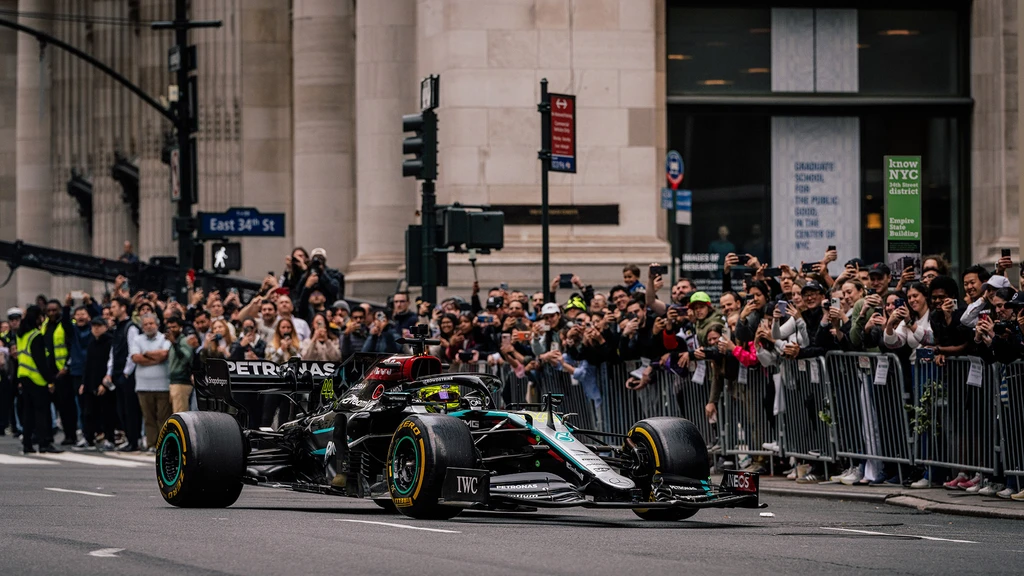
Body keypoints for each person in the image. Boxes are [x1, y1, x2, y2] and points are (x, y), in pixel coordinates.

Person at [16, 306, 62, 454]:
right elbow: (40, 361)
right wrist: (50, 380)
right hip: (37, 378)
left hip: (24, 375)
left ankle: (27, 444)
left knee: (28, 412)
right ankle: (44, 443)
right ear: (37, 318)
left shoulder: (21, 335)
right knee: (42, 412)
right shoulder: (36, 336)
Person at [104, 297, 142, 452]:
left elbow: (132, 352)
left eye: (114, 306)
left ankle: (134, 441)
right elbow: (113, 352)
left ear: (123, 308)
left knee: (130, 409)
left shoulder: (131, 328)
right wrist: (109, 372)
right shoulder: (117, 327)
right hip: (117, 374)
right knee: (121, 409)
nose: (111, 310)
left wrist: (126, 373)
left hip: (127, 375)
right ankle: (128, 438)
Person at [130, 314, 171, 452]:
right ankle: (152, 444)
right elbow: (136, 358)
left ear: (157, 324)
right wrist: (155, 358)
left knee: (163, 417)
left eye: (151, 323)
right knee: (148, 418)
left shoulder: (164, 338)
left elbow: (164, 354)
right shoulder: (137, 339)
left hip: (163, 385)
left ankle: (164, 444)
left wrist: (146, 353)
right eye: (145, 324)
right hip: (143, 385)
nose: (149, 326)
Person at [42, 299, 79, 446]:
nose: (52, 313)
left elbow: (71, 346)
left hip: (63, 372)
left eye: (54, 310)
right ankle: (49, 435)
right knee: (54, 405)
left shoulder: (65, 325)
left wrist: (66, 366)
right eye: (49, 310)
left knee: (67, 406)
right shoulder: (45, 326)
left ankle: (71, 435)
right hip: (49, 372)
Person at [82, 317, 116, 450]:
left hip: (104, 383)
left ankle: (109, 438)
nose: (96, 329)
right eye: (93, 326)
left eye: (99, 326)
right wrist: (84, 383)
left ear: (105, 327)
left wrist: (105, 384)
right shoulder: (91, 342)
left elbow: (110, 365)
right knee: (89, 412)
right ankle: (89, 438)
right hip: (90, 383)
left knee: (107, 413)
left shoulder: (110, 342)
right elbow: (88, 365)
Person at [164, 316, 194, 414]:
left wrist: (175, 343)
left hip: (182, 382)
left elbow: (185, 359)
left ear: (180, 327)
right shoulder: (172, 342)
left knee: (180, 414)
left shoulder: (184, 341)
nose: (171, 330)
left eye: (174, 327)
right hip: (174, 381)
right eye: (169, 327)